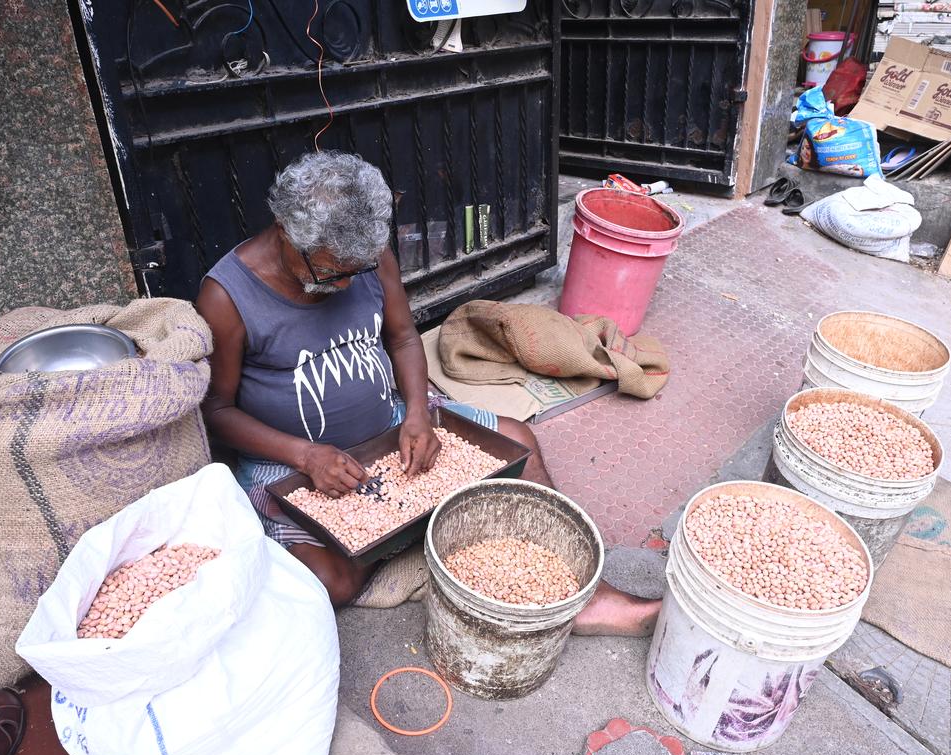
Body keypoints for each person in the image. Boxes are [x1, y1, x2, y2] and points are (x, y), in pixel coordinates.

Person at [196, 150, 659, 636]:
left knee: (518, 441)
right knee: (328, 582)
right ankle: (429, 530)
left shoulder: (368, 257)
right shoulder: (226, 296)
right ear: (286, 231)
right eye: (335, 272)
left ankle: (587, 592)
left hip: (392, 425)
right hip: (291, 459)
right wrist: (307, 456)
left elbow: (400, 338)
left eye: (360, 268)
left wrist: (417, 412)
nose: (350, 282)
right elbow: (217, 411)